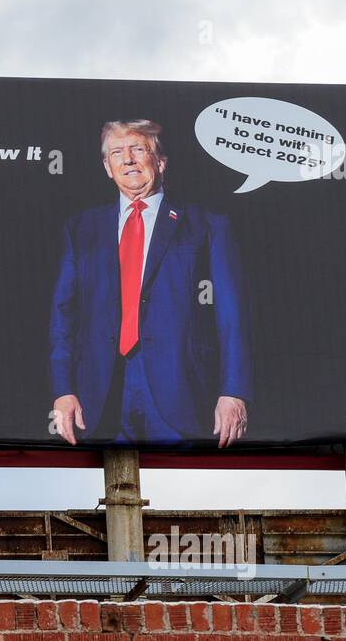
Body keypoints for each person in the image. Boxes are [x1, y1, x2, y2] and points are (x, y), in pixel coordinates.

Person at [49, 119, 252, 447]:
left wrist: (233, 390)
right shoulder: (81, 229)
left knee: (189, 493)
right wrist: (63, 390)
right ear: (107, 166)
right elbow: (64, 315)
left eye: (138, 149)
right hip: (100, 394)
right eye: (117, 152)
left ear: (160, 162)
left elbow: (232, 316)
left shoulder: (208, 226)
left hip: (182, 389)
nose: (127, 159)